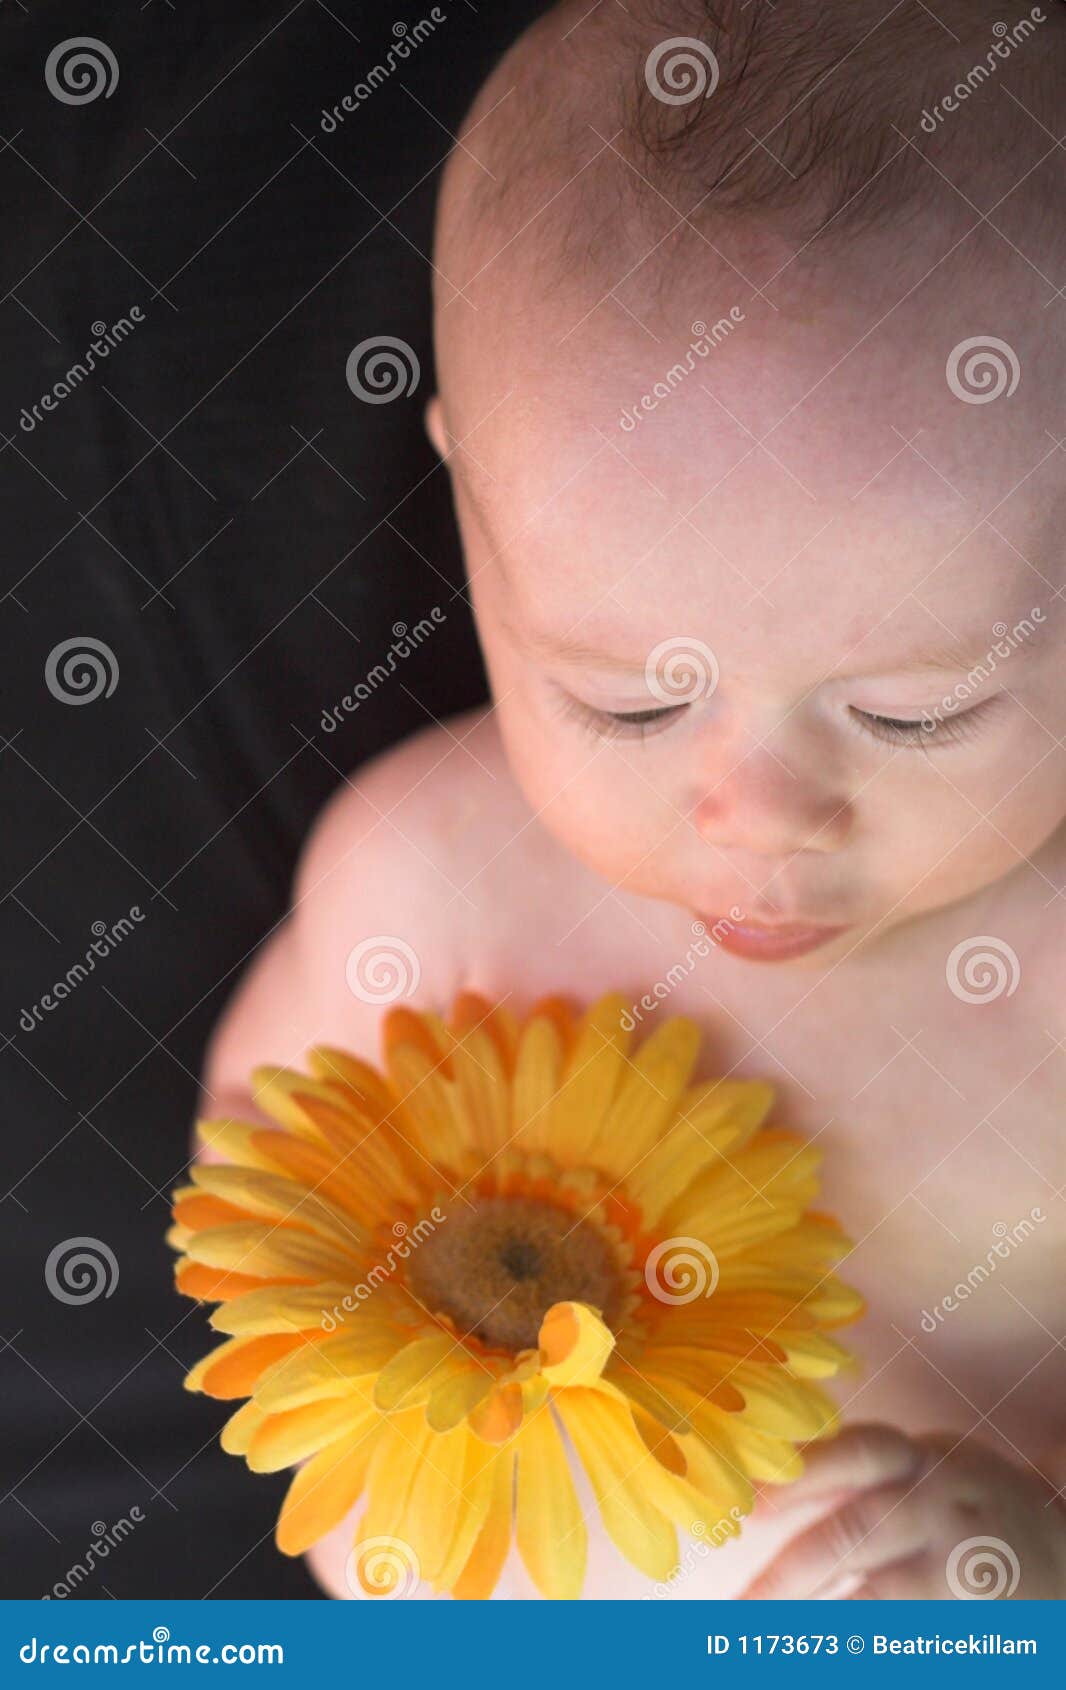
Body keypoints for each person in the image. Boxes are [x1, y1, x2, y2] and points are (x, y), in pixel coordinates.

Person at [200, 0, 1066, 1598]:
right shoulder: (425, 883)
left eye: (912, 711)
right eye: (631, 697)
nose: (754, 810)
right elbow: (257, 1186)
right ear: (471, 516)